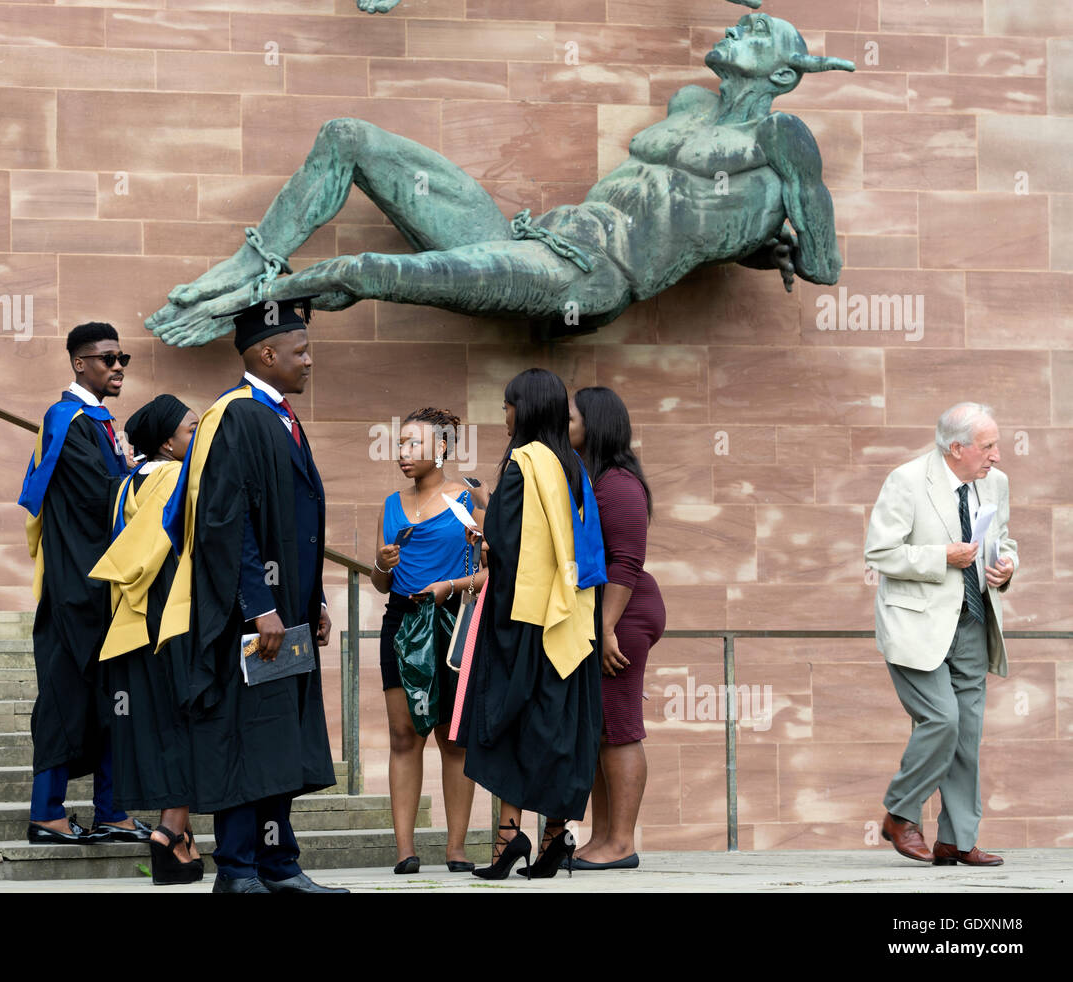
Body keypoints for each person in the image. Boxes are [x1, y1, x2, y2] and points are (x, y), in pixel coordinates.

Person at [147, 10, 851, 347]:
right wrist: (744, 239)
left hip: (584, 282)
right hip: (535, 237)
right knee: (348, 138)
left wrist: (759, 239)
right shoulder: (689, 105)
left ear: (786, 75)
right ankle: (254, 261)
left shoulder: (781, 136)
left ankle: (241, 305)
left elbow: (821, 263)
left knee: (366, 270)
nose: (738, 31)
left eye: (759, 36)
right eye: (744, 22)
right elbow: (696, 209)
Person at [148, 296, 344, 894]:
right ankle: (237, 868)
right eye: (301, 351)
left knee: (276, 741)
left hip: (287, 615)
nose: (310, 361)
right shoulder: (233, 415)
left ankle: (278, 865)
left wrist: (313, 604)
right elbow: (222, 523)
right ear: (267, 353)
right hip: (252, 619)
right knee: (244, 739)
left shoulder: (280, 416)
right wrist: (260, 606)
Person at [451, 368, 607, 880]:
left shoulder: (523, 462)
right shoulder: (574, 467)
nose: (505, 415)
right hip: (572, 620)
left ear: (526, 409)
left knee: (506, 721)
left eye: (507, 405)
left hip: (525, 622)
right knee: (557, 728)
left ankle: (508, 837)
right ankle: (555, 836)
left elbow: (507, 545)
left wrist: (483, 521)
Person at [864, 402, 1017, 867]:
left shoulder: (996, 483)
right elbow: (880, 552)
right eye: (988, 446)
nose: (996, 455)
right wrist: (939, 558)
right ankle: (900, 813)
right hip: (916, 626)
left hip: (973, 621)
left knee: (966, 734)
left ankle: (957, 839)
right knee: (942, 721)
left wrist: (1006, 566)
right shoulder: (907, 481)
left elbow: (1003, 539)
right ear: (957, 448)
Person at [17, 322, 151, 845]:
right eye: (105, 359)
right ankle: (46, 813)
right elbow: (100, 495)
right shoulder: (66, 419)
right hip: (77, 589)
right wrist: (147, 477)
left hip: (107, 586)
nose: (117, 367)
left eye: (122, 358)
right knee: (64, 697)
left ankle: (113, 813)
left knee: (114, 697)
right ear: (78, 363)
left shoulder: (99, 421)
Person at [91, 394, 202, 883]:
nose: (199, 438)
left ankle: (183, 838)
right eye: (191, 431)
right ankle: (170, 831)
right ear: (167, 443)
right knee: (188, 722)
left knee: (160, 724)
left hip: (135, 620)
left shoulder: (127, 482)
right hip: (173, 617)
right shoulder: (175, 479)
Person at [370, 408, 485, 874]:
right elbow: (381, 583)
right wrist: (382, 562)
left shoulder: (468, 498)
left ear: (441, 448)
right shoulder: (391, 503)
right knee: (404, 735)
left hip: (452, 619)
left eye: (414, 444)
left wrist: (451, 588)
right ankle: (405, 851)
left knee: (452, 738)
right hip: (401, 619)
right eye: (400, 445)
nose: (403, 454)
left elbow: (497, 569)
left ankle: (455, 848)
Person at [567, 386, 664, 871]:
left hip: (622, 614)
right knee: (604, 729)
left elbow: (626, 561)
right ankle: (602, 837)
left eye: (571, 417)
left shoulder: (619, 482)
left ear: (595, 423)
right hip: (606, 615)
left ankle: (621, 843)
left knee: (621, 727)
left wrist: (605, 629)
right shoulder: (595, 477)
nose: (565, 424)